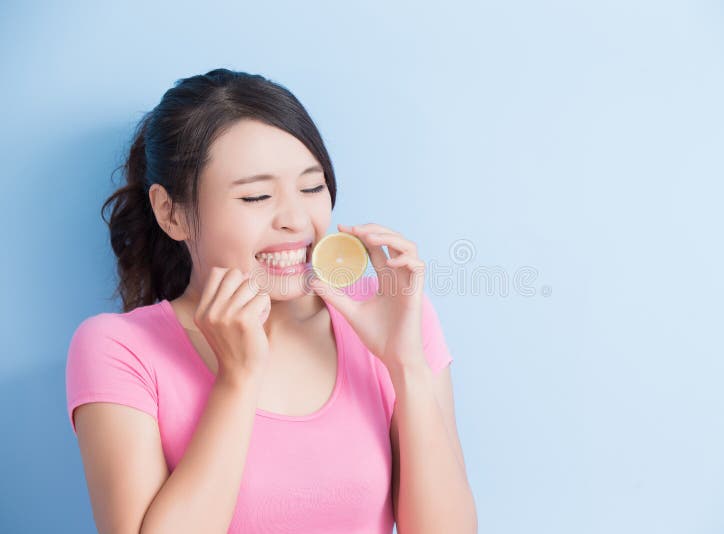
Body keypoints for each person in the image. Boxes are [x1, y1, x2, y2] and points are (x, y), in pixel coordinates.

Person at [65, 68, 477, 533]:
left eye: (312, 187)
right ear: (170, 212)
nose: (296, 219)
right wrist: (237, 380)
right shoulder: (120, 349)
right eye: (257, 196)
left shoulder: (393, 314)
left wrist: (406, 365)